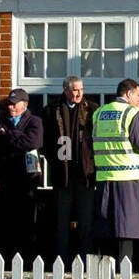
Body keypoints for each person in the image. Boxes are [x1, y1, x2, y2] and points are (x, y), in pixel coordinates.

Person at [91, 79, 139, 265]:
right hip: (128, 177)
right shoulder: (131, 113)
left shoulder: (99, 113)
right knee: (126, 228)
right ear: (129, 94)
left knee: (105, 227)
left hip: (103, 176)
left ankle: (105, 269)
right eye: (138, 95)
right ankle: (125, 270)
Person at [0, 88, 44, 263]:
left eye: (14, 104)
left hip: (26, 181)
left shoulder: (34, 121)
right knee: (6, 224)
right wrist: (17, 138)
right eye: (9, 104)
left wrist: (9, 136)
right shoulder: (2, 121)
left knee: (25, 223)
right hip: (5, 180)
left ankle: (25, 260)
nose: (10, 107)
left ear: (24, 104)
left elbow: (33, 142)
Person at [45, 76, 94, 265]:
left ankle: (85, 261)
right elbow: (47, 142)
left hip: (85, 174)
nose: (79, 93)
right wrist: (55, 161)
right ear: (65, 90)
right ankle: (60, 261)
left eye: (81, 89)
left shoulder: (92, 109)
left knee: (86, 221)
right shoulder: (51, 110)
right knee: (61, 221)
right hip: (62, 174)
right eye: (75, 90)